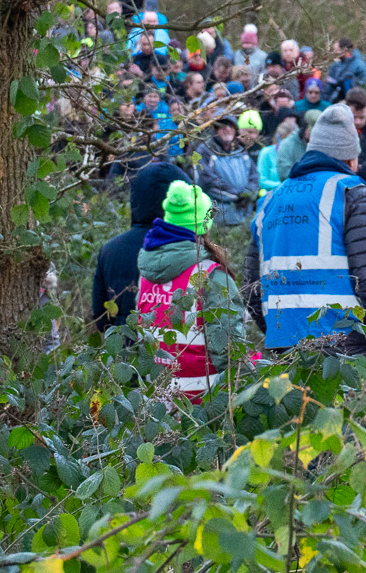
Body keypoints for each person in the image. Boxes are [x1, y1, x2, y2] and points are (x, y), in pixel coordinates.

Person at [254, 111, 366, 372]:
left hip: (284, 350)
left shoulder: (270, 201)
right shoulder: (353, 194)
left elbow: (252, 288)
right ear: (352, 157)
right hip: (347, 352)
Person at [135, 183, 249, 399]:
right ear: (204, 226)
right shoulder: (212, 274)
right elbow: (230, 347)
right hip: (205, 402)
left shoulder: (146, 273)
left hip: (155, 401)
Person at [93, 161, 190, 331]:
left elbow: (101, 319)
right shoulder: (191, 251)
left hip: (121, 352)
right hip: (175, 352)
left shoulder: (109, 250)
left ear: (136, 197)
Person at [194, 114, 257, 228]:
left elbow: (254, 177)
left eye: (231, 126)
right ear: (215, 130)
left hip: (243, 215)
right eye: (223, 126)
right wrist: (236, 196)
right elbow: (207, 180)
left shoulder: (241, 151)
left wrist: (248, 193)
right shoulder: (205, 151)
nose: (227, 129)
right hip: (218, 218)